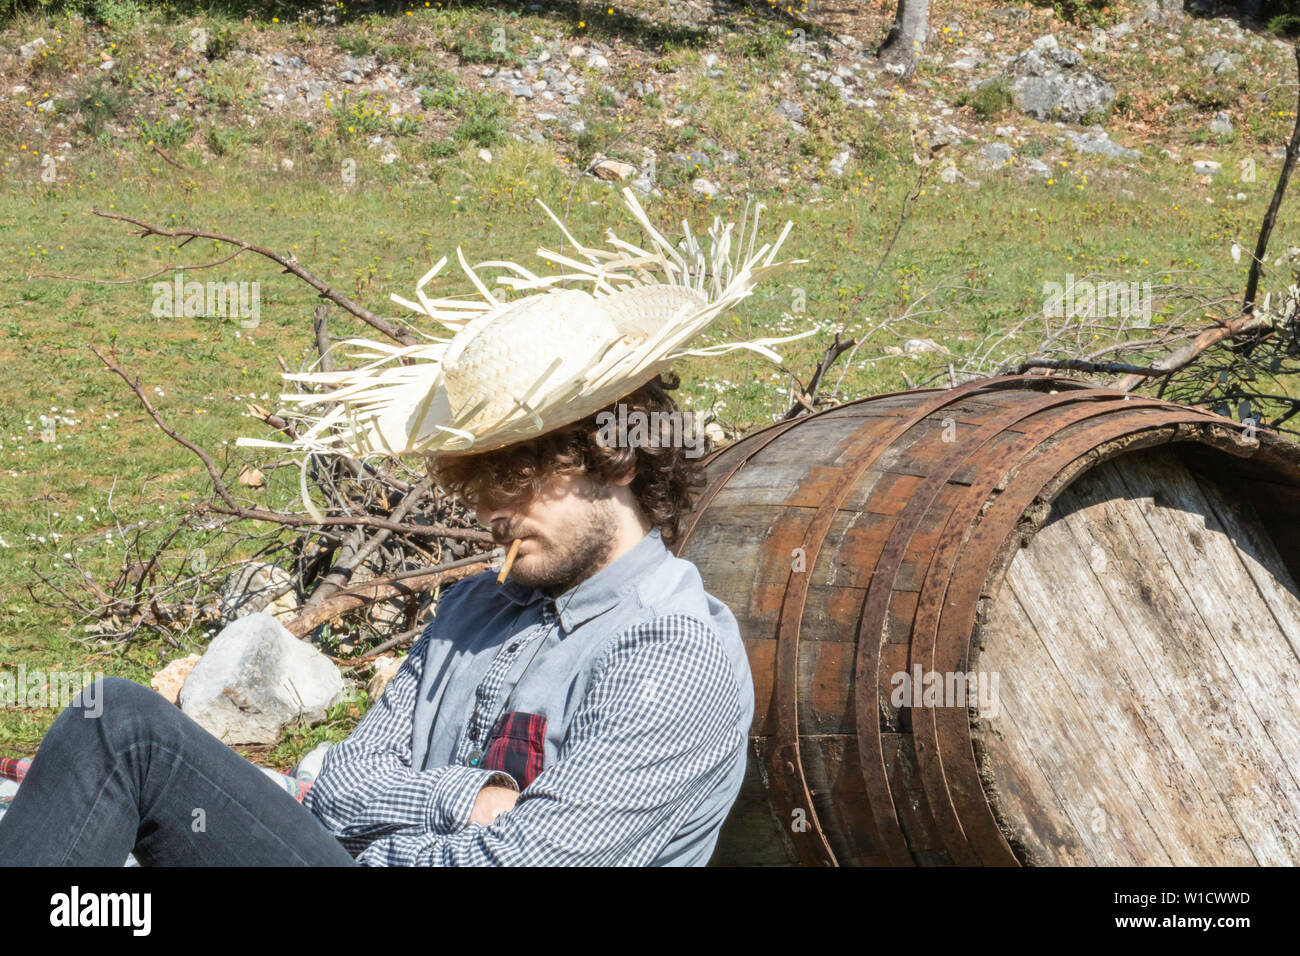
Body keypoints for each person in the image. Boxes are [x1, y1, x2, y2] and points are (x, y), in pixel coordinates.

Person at [0, 188, 813, 866]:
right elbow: (344, 787)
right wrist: (468, 796)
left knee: (131, 733)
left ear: (618, 460)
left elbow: (529, 861)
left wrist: (368, 852)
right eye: (479, 481)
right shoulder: (473, 613)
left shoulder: (671, 654)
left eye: (519, 479)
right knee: (113, 728)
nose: (491, 512)